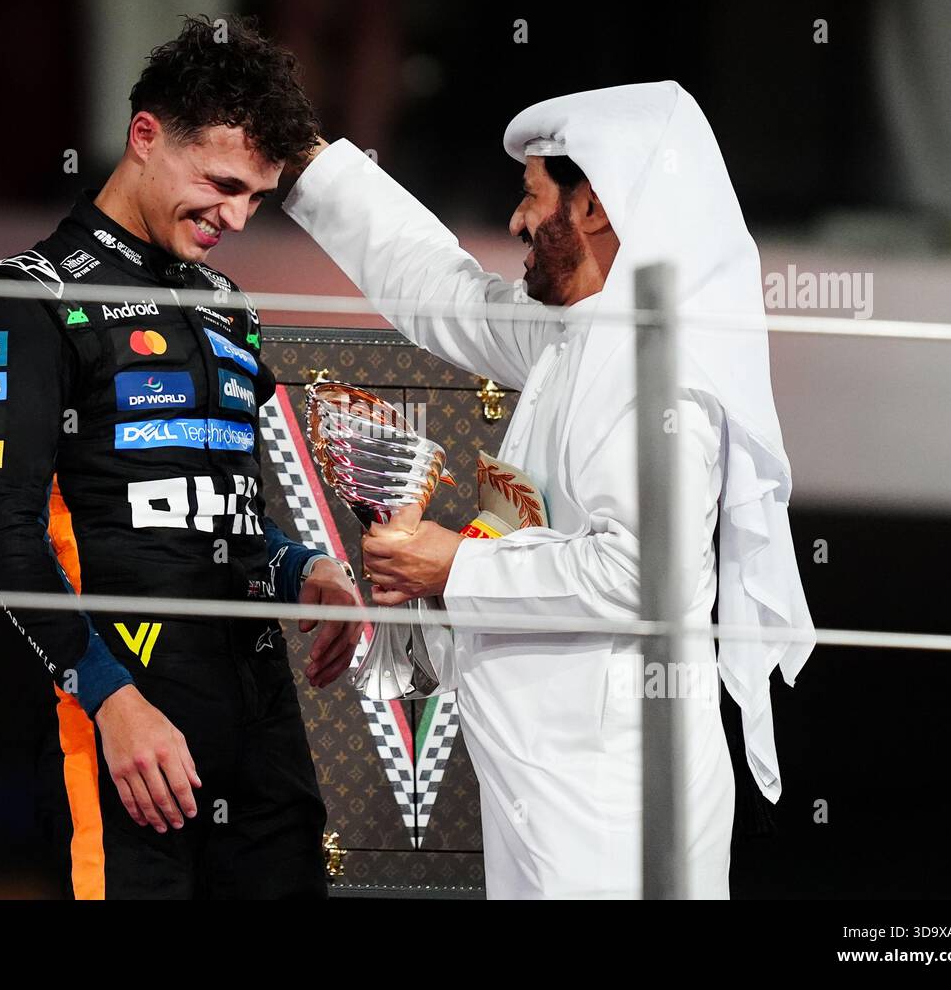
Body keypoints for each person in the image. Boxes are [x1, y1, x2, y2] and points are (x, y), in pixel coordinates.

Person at [282, 81, 816, 898]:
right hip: (557, 786)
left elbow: (643, 574)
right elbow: (443, 291)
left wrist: (452, 565)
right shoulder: (582, 334)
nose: (518, 222)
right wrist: (306, 161)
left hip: (614, 805)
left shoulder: (659, 376)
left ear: (594, 206)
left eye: (533, 198)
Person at [0, 15, 361, 900]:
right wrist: (111, 699)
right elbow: (4, 540)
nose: (237, 218)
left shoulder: (229, 305)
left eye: (257, 197)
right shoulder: (23, 297)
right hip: (125, 721)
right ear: (143, 136)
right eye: (221, 184)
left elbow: (230, 520)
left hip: (261, 720)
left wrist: (305, 569)